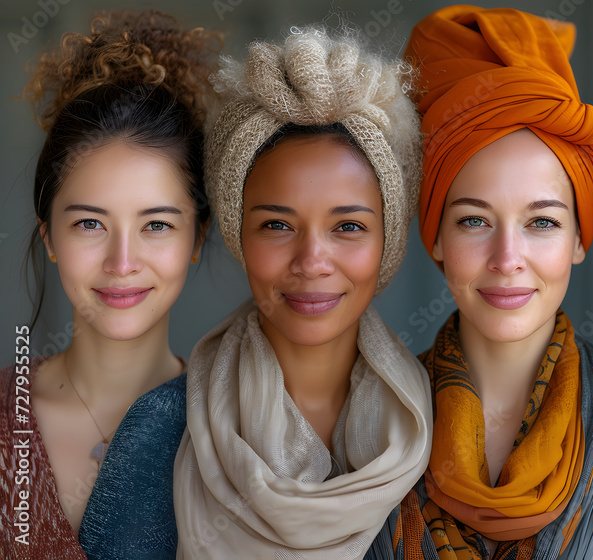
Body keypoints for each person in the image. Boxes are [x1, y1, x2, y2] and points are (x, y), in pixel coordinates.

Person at [395, 6, 593, 558]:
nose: (507, 258)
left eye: (542, 223)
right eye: (474, 220)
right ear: (436, 237)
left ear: (580, 240)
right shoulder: (369, 428)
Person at [172, 25, 432, 559]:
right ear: (234, 230)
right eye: (276, 225)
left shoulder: (447, 432)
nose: (312, 262)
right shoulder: (165, 428)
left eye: (349, 227)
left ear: (390, 239)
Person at [0, 10, 218, 559]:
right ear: (49, 236)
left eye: (157, 225)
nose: (123, 262)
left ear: (197, 238)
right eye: (90, 224)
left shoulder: (233, 432)